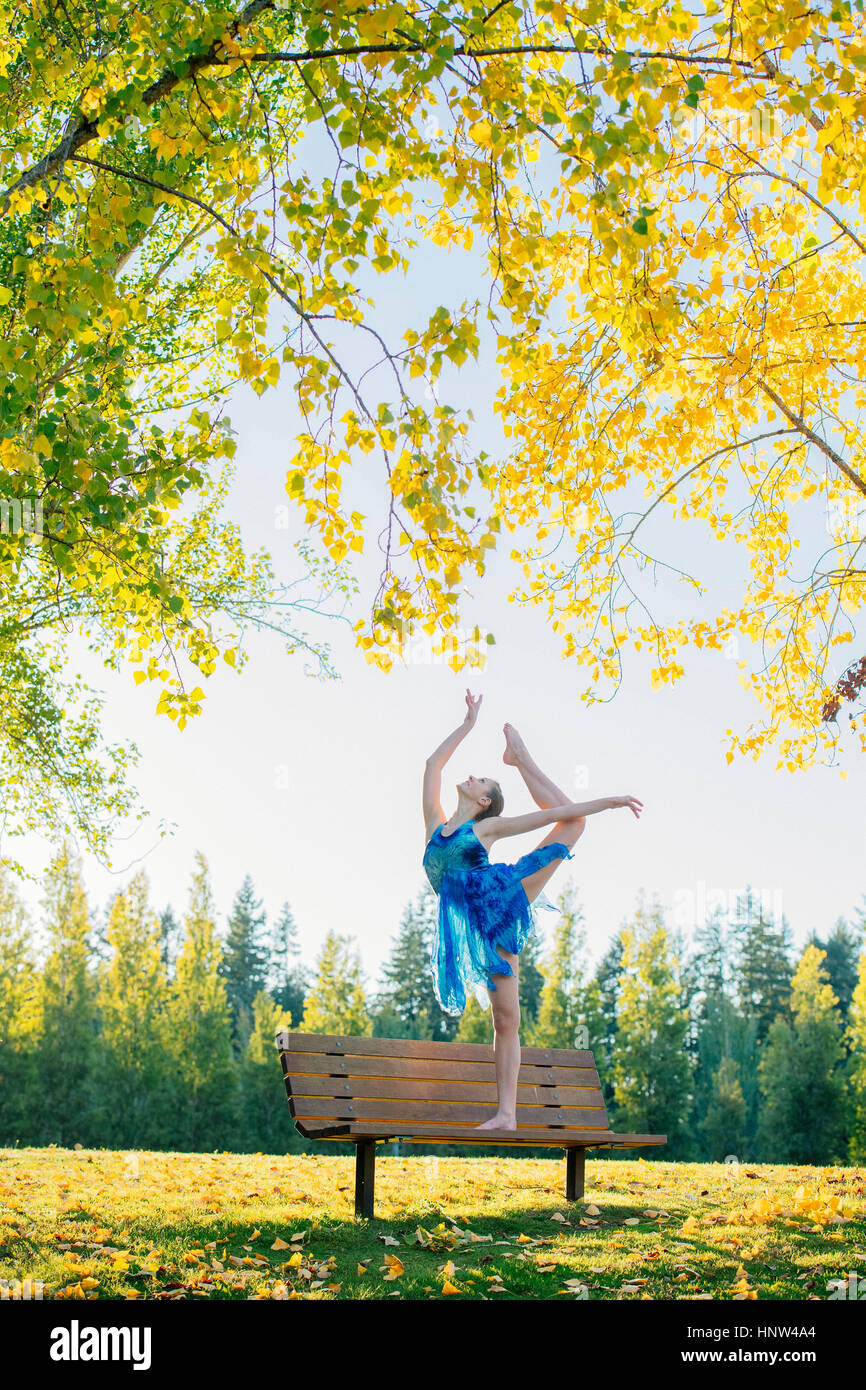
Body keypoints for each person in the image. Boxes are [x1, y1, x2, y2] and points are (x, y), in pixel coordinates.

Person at [422, 689, 643, 1132]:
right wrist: (467, 724)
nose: (471, 777)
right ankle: (517, 758)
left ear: (484, 801)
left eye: (481, 780)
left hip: (501, 902)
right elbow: (432, 766)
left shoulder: (487, 828)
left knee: (507, 1018)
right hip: (471, 926)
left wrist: (609, 802)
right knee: (500, 1016)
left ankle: (507, 1114)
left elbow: (555, 815)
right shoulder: (435, 823)